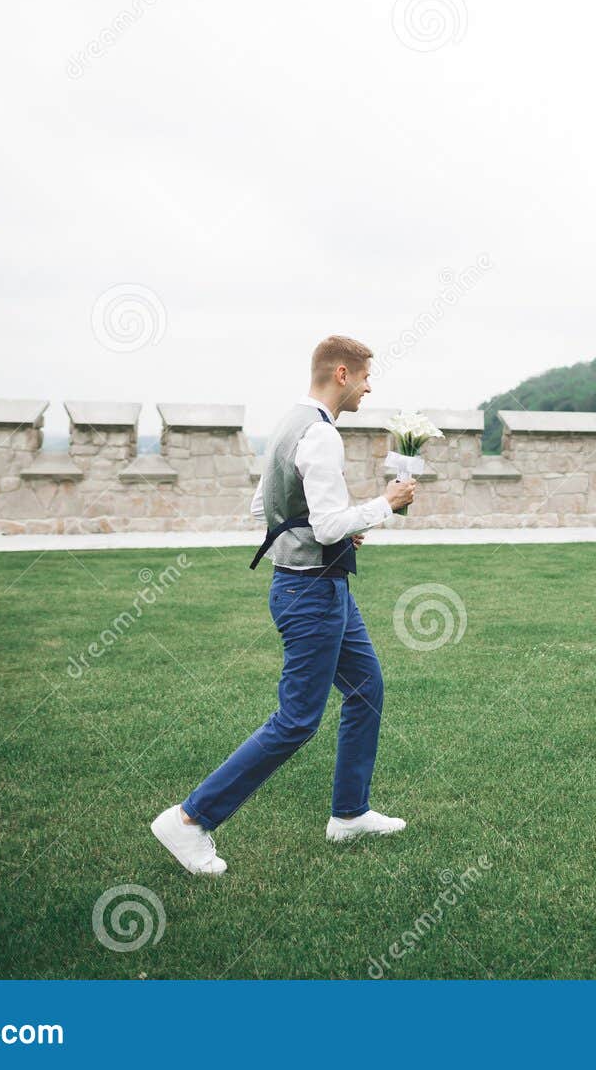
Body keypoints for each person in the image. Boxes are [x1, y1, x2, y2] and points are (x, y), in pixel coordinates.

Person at [152, 335, 416, 875]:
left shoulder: (289, 424)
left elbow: (264, 509)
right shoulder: (320, 434)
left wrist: (336, 533)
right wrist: (382, 506)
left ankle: (349, 814)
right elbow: (322, 523)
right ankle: (188, 820)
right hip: (310, 595)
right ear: (341, 374)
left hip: (323, 587)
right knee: (296, 721)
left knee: (367, 690)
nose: (370, 386)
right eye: (366, 377)